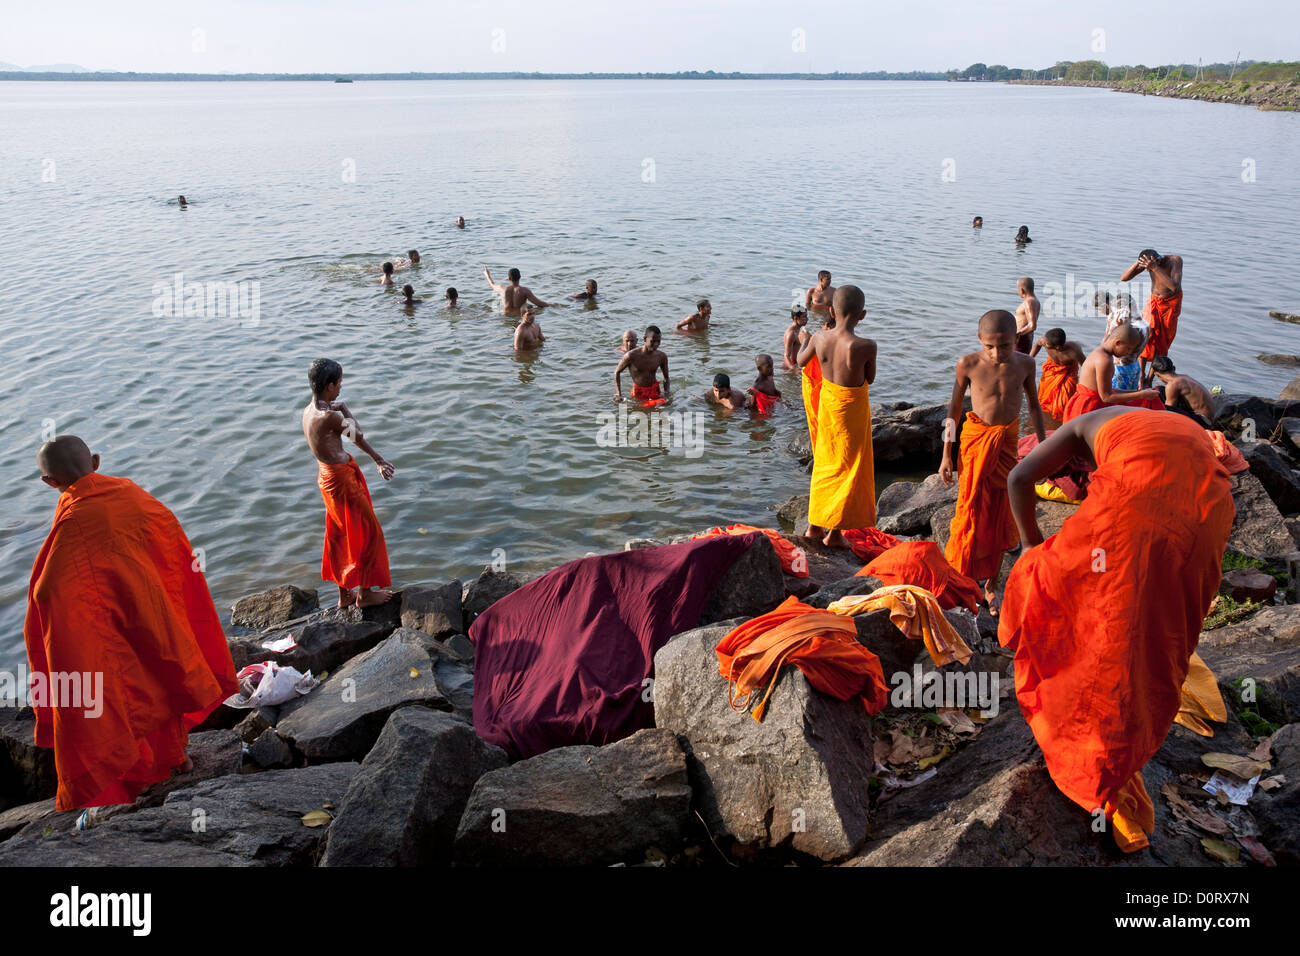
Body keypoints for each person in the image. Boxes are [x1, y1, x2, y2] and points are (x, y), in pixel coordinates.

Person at [999, 406, 1235, 852]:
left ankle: (1098, 748)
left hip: (1137, 500)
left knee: (1097, 613)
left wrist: (1030, 545)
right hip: (1209, 513)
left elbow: (1018, 478)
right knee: (1160, 624)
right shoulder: (1151, 420)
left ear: (1077, 460)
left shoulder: (1078, 426)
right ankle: (1128, 729)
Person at [24, 435, 238, 813]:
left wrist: (74, 613)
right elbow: (169, 534)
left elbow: (49, 589)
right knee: (162, 677)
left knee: (127, 688)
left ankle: (140, 774)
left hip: (118, 618)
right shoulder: (131, 493)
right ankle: (178, 759)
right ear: (96, 461)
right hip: (155, 609)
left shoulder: (75, 519)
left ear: (49, 482)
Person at [939, 309, 1046, 614]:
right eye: (990, 346)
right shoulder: (968, 364)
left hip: (1007, 443)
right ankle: (963, 578)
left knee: (1000, 514)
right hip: (975, 442)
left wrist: (1043, 445)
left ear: (1018, 339)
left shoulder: (1026, 364)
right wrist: (946, 454)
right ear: (979, 340)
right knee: (970, 509)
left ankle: (991, 586)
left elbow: (1035, 407)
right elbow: (954, 411)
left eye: (1005, 345)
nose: (997, 353)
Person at [302, 359, 395, 609]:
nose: (341, 387)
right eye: (339, 383)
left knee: (339, 533)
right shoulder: (329, 416)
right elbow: (357, 435)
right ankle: (364, 594)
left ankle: (344, 595)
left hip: (326, 477)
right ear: (329, 386)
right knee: (368, 533)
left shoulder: (308, 412)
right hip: (342, 482)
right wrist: (378, 459)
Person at [797, 284, 877, 549]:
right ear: (862, 315)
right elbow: (870, 378)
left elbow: (800, 361)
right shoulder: (867, 345)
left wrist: (804, 341)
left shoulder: (820, 338)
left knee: (825, 462)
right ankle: (834, 533)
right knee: (850, 466)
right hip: (852, 411)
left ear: (831, 310)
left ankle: (813, 526)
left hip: (829, 405)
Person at [1061, 324, 1163, 421]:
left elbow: (1109, 391)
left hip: (1083, 402)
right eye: (1128, 349)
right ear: (1117, 342)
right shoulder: (1104, 360)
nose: (1128, 353)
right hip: (1087, 408)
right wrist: (1141, 395)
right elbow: (1106, 397)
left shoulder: (1101, 351)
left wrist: (1139, 392)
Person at [1120, 248, 1183, 386]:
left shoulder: (1175, 261)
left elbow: (1174, 286)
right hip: (1154, 302)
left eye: (1150, 267)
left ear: (1158, 260)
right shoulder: (1147, 264)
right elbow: (1124, 278)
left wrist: (1154, 268)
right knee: (1146, 336)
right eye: (1147, 268)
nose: (1148, 271)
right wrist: (1138, 263)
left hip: (1170, 306)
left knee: (1162, 341)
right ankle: (1141, 376)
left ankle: (1150, 377)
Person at [1094, 292, 1147, 392]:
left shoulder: (1117, 319)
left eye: (1100, 310)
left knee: (1114, 400)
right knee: (1130, 399)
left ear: (1105, 305)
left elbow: (1108, 343)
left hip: (1120, 368)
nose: (1101, 312)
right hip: (1134, 365)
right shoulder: (1142, 323)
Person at [1030, 328, 1085, 422]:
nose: (1044, 343)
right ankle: (1046, 416)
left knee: (1065, 401)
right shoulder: (1045, 341)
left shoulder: (1074, 351)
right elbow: (1037, 344)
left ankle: (1064, 420)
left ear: (1058, 347)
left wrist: (1084, 386)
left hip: (1069, 374)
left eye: (1047, 344)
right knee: (1044, 397)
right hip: (1051, 370)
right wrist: (1030, 358)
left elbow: (1085, 365)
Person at [1151, 356, 1215, 427]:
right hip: (1208, 417)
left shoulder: (1173, 384)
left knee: (1164, 408)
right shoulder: (1183, 377)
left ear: (1157, 375)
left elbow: (1169, 410)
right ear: (1174, 368)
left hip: (1203, 421)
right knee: (1159, 390)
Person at [614, 325, 670, 405]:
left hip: (655, 390)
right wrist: (618, 394)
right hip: (638, 392)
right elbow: (617, 372)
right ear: (645, 339)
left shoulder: (661, 356)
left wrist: (667, 393)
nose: (656, 344)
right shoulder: (631, 356)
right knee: (639, 414)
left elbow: (666, 378)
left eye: (658, 341)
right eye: (653, 341)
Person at [484, 267, 552, 313]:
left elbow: (492, 284)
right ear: (520, 277)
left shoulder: (502, 289)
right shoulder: (524, 291)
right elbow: (539, 304)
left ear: (509, 278)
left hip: (505, 317)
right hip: (519, 316)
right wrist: (554, 306)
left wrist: (487, 274)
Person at [1014, 277, 1040, 354]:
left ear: (1021, 290)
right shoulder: (1034, 301)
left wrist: (1017, 334)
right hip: (1025, 337)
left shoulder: (1029, 302)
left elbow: (1032, 325)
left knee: (1016, 361)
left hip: (1022, 338)